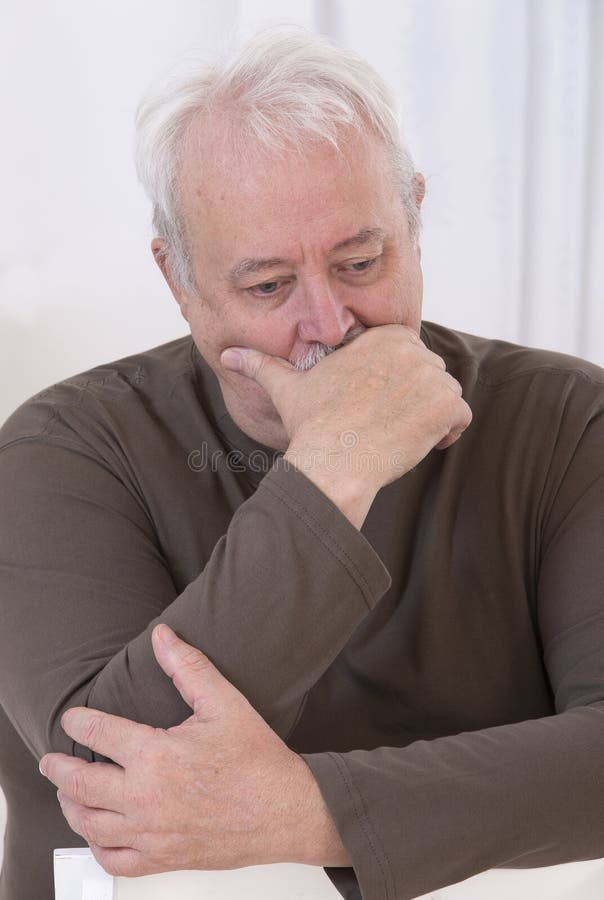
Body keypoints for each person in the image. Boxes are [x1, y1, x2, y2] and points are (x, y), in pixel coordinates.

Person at [1, 28, 603, 900]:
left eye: (361, 262)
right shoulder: (60, 454)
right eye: (268, 286)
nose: (330, 324)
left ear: (415, 220)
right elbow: (111, 774)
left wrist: (309, 814)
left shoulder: (571, 423)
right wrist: (335, 467)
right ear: (178, 280)